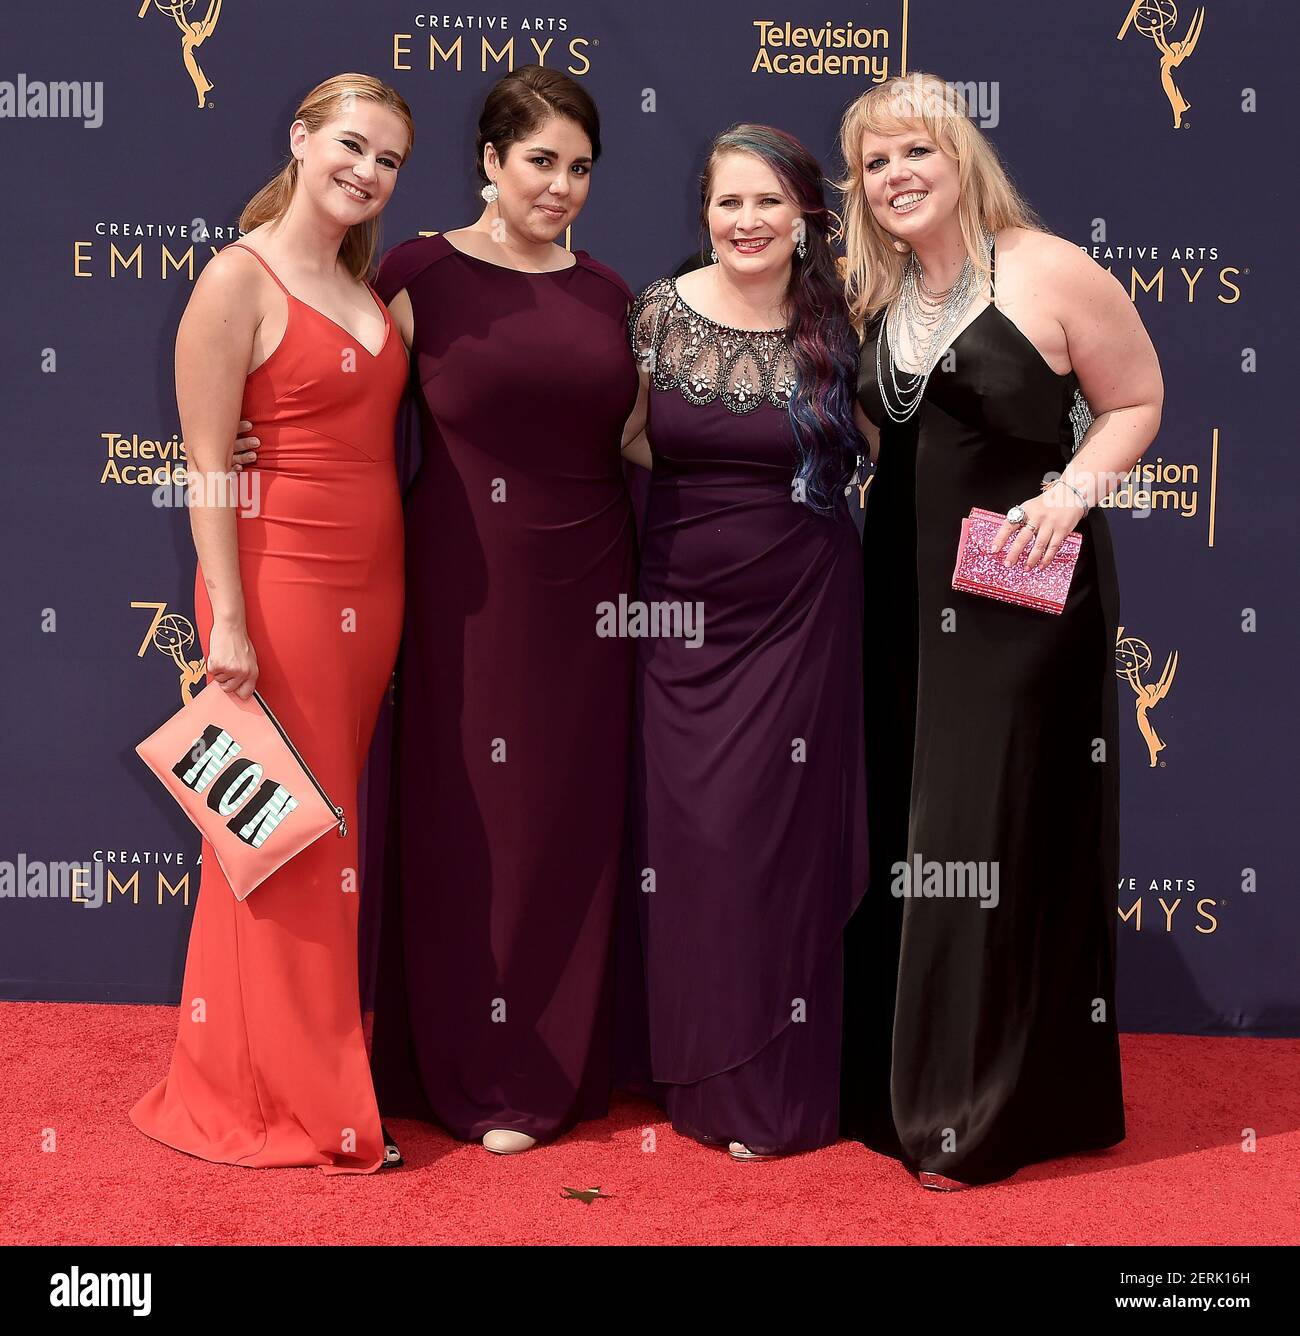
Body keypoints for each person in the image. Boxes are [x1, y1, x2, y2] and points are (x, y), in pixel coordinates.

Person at [838, 73, 1163, 1188]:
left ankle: (968, 1110)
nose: (895, 178)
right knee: (911, 828)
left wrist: (1074, 490)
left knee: (982, 834)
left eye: (914, 153)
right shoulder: (877, 291)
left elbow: (1136, 399)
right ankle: (903, 1091)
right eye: (875, 163)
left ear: (961, 154)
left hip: (1018, 596)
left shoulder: (1048, 267)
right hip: (899, 604)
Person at [130, 74, 414, 1174]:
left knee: (315, 836)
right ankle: (303, 1102)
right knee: (282, 842)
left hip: (372, 593)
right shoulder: (232, 279)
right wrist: (230, 622)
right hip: (275, 588)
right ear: (300, 140)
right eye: (350, 145)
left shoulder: (373, 286)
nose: (366, 170)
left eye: (387, 158)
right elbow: (209, 468)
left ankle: (257, 1074)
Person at [364, 66, 639, 1156]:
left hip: (591, 594)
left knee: (560, 822)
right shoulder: (418, 270)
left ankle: (545, 1069)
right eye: (541, 162)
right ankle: (451, 1062)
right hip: (460, 586)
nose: (561, 186)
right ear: (488, 160)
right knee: (464, 814)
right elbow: (343, 394)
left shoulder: (615, 294)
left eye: (580, 168)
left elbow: (640, 441)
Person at [622, 125, 867, 1160]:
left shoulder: (849, 324)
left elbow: (906, 449)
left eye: (768, 203)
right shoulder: (655, 316)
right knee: (693, 846)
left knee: (779, 844)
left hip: (803, 608)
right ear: (703, 213)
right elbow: (616, 437)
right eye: (728, 203)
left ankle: (779, 1085)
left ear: (807, 215)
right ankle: (693, 1063)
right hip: (678, 612)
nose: (746, 222)